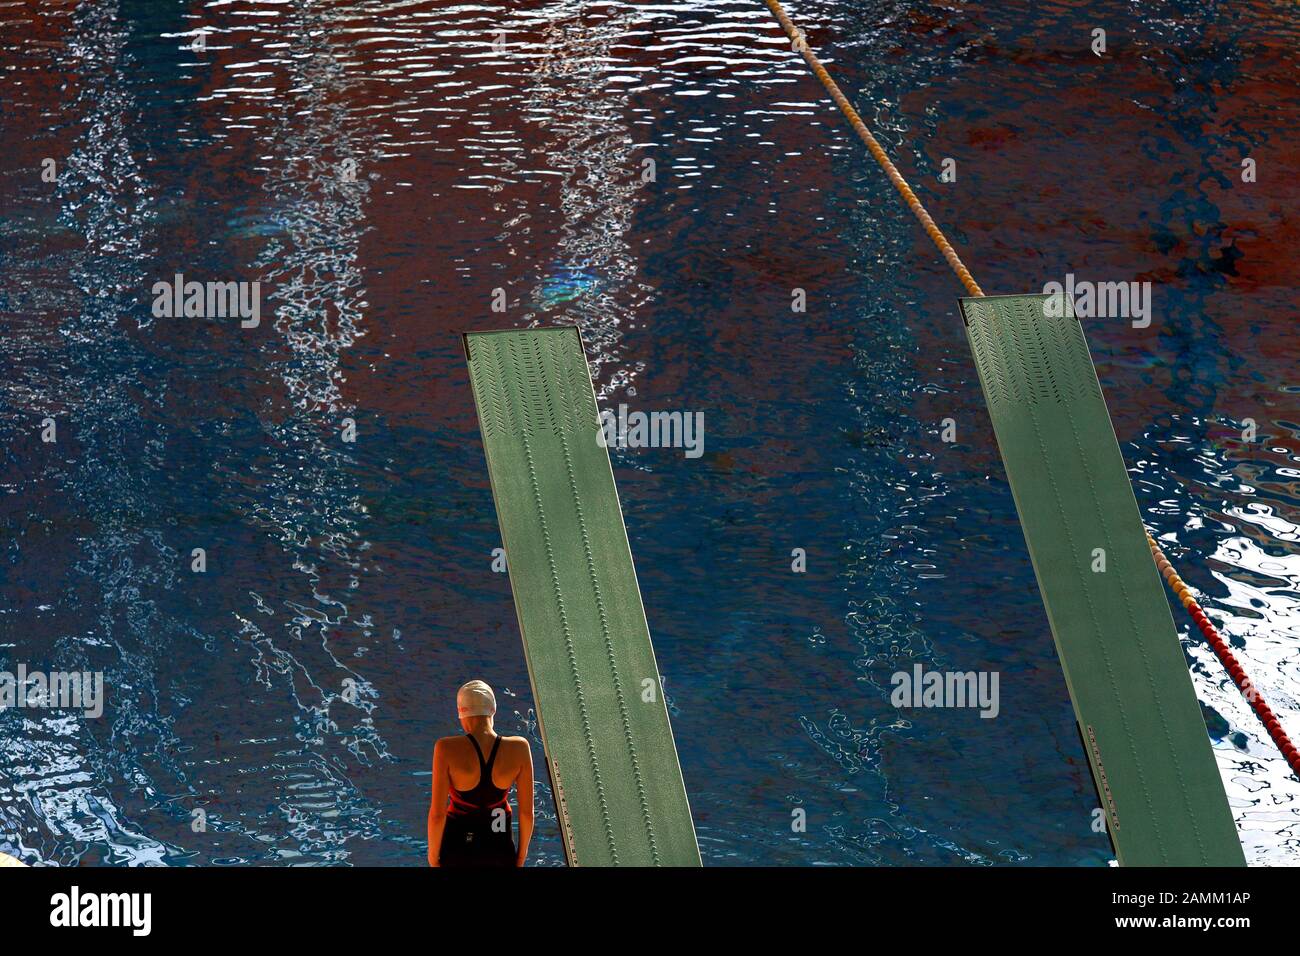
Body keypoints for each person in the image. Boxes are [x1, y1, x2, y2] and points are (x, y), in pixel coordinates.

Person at [428, 679, 534, 867]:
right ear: (493, 710)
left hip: (458, 848)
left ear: (461, 713)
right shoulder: (519, 748)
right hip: (499, 845)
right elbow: (526, 813)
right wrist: (520, 856)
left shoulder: (446, 748)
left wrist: (433, 858)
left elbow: (437, 814)